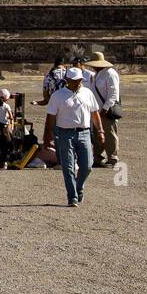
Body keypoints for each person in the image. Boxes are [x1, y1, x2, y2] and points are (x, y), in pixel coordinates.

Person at [43, 67, 101, 206]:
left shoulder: (87, 93)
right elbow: (50, 117)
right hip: (65, 134)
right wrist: (47, 136)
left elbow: (95, 113)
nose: (77, 83)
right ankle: (72, 197)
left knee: (87, 166)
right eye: (74, 81)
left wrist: (101, 131)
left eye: (79, 80)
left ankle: (78, 186)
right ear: (67, 80)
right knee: (68, 166)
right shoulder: (57, 96)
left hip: (84, 132)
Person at [85, 52, 121, 167]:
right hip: (96, 110)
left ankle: (113, 158)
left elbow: (113, 94)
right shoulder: (96, 74)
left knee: (110, 134)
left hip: (106, 111)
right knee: (96, 135)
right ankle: (98, 158)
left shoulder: (110, 73)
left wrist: (105, 109)